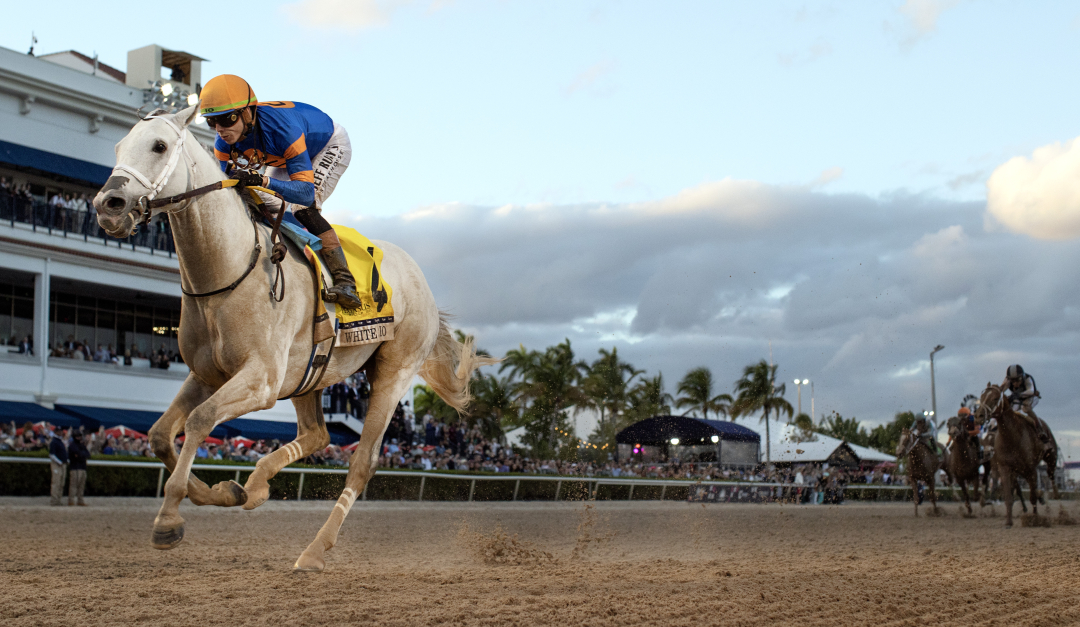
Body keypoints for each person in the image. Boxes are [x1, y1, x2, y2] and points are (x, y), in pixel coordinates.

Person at [198, 74, 362, 308]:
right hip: (287, 157)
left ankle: (346, 281)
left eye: (226, 119)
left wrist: (264, 181)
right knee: (263, 203)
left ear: (246, 113)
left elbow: (305, 193)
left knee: (302, 208)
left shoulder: (283, 130)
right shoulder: (223, 144)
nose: (220, 130)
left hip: (326, 144)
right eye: (211, 122)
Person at [1000, 364, 1049, 444]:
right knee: (1012, 410)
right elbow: (1001, 390)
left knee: (1026, 408)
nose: (1015, 383)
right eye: (1013, 380)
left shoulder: (1027, 379)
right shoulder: (1007, 380)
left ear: (1022, 376)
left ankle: (1039, 428)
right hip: (1018, 397)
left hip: (1031, 397)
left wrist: (1017, 395)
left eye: (1018, 379)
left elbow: (1031, 391)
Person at [67, 431, 89, 506]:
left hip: (83, 467)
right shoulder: (72, 445)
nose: (79, 438)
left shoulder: (82, 445)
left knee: (81, 485)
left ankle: (80, 500)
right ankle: (71, 500)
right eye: (77, 436)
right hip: (75, 468)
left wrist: (80, 455)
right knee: (74, 485)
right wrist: (82, 454)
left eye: (80, 436)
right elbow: (78, 454)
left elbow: (87, 454)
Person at [48, 428, 69, 506]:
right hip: (57, 465)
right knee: (56, 483)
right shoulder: (54, 442)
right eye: (59, 431)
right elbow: (51, 454)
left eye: (61, 431)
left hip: (63, 464)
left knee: (61, 483)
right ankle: (54, 501)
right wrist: (59, 462)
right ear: (55, 432)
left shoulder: (60, 441)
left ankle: (58, 500)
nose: (60, 433)